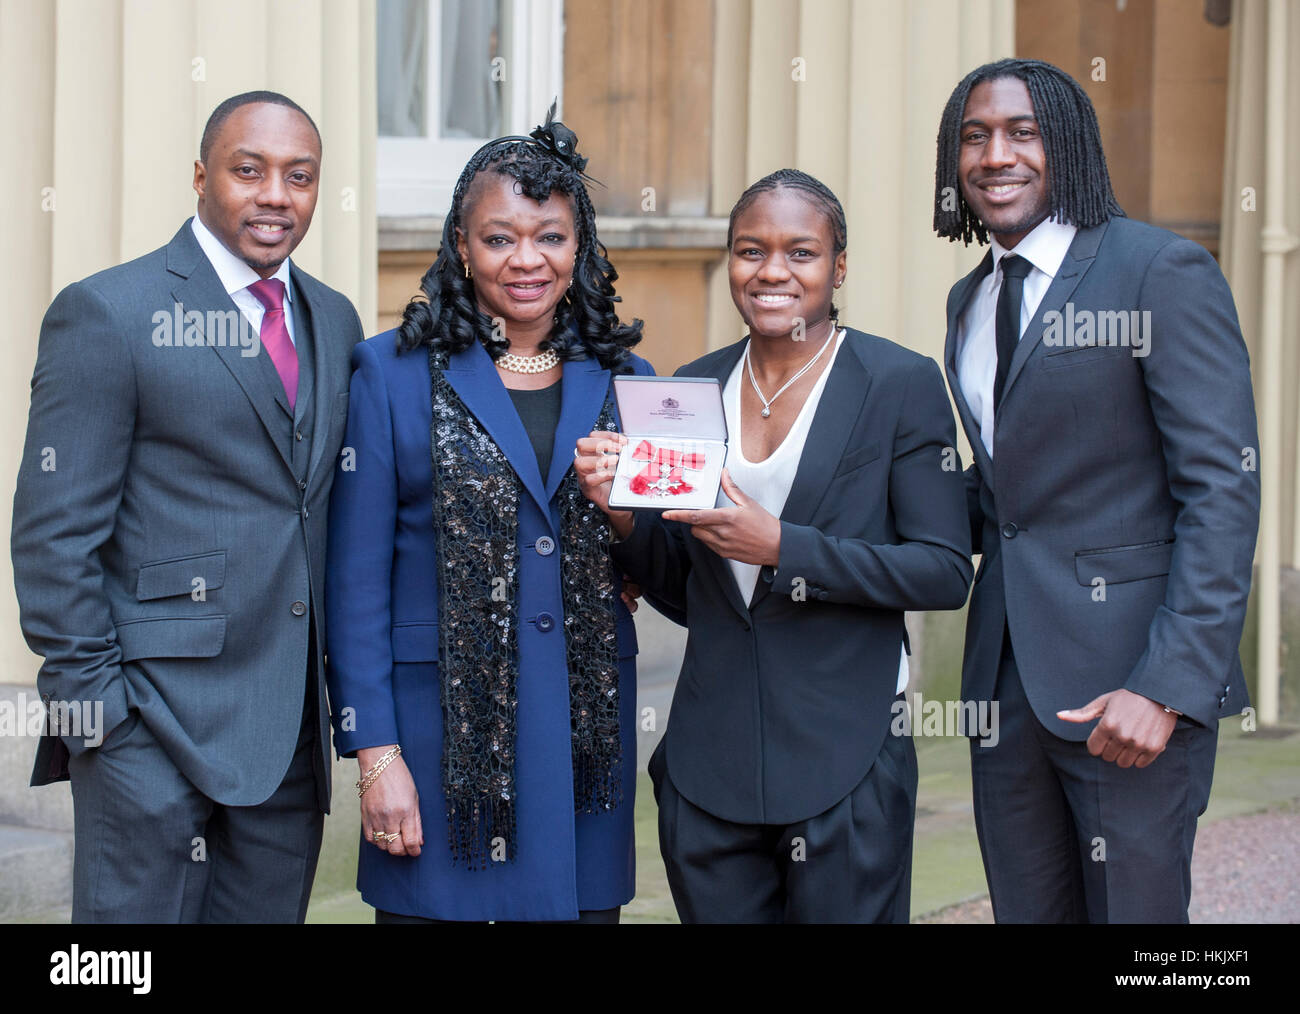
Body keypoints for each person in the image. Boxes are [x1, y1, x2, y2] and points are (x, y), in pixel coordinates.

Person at [576, 169, 973, 923]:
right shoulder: (690, 390)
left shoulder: (898, 384)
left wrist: (784, 546)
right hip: (710, 766)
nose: (772, 272)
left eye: (801, 252)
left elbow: (944, 569)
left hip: (846, 753)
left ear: (839, 266)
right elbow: (685, 587)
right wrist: (623, 519)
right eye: (750, 250)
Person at [11, 91, 365, 922]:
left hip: (288, 739)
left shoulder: (338, 321)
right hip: (151, 730)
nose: (275, 194)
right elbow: (52, 536)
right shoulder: (110, 312)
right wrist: (99, 721)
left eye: (299, 176)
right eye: (250, 171)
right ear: (202, 176)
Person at [933, 58, 1260, 923]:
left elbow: (1222, 494)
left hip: (1132, 687)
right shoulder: (969, 301)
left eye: (1021, 132)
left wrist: (1167, 685)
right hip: (1006, 689)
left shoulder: (1158, 272)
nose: (994, 155)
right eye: (975, 136)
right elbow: (1006, 499)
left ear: (1067, 144)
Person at [325, 111, 650, 923]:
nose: (527, 260)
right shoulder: (390, 373)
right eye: (499, 238)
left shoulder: (630, 381)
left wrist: (629, 522)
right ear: (461, 247)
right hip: (439, 755)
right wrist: (375, 757)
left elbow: (667, 566)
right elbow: (356, 582)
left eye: (550, 236)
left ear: (581, 247)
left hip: (582, 754)